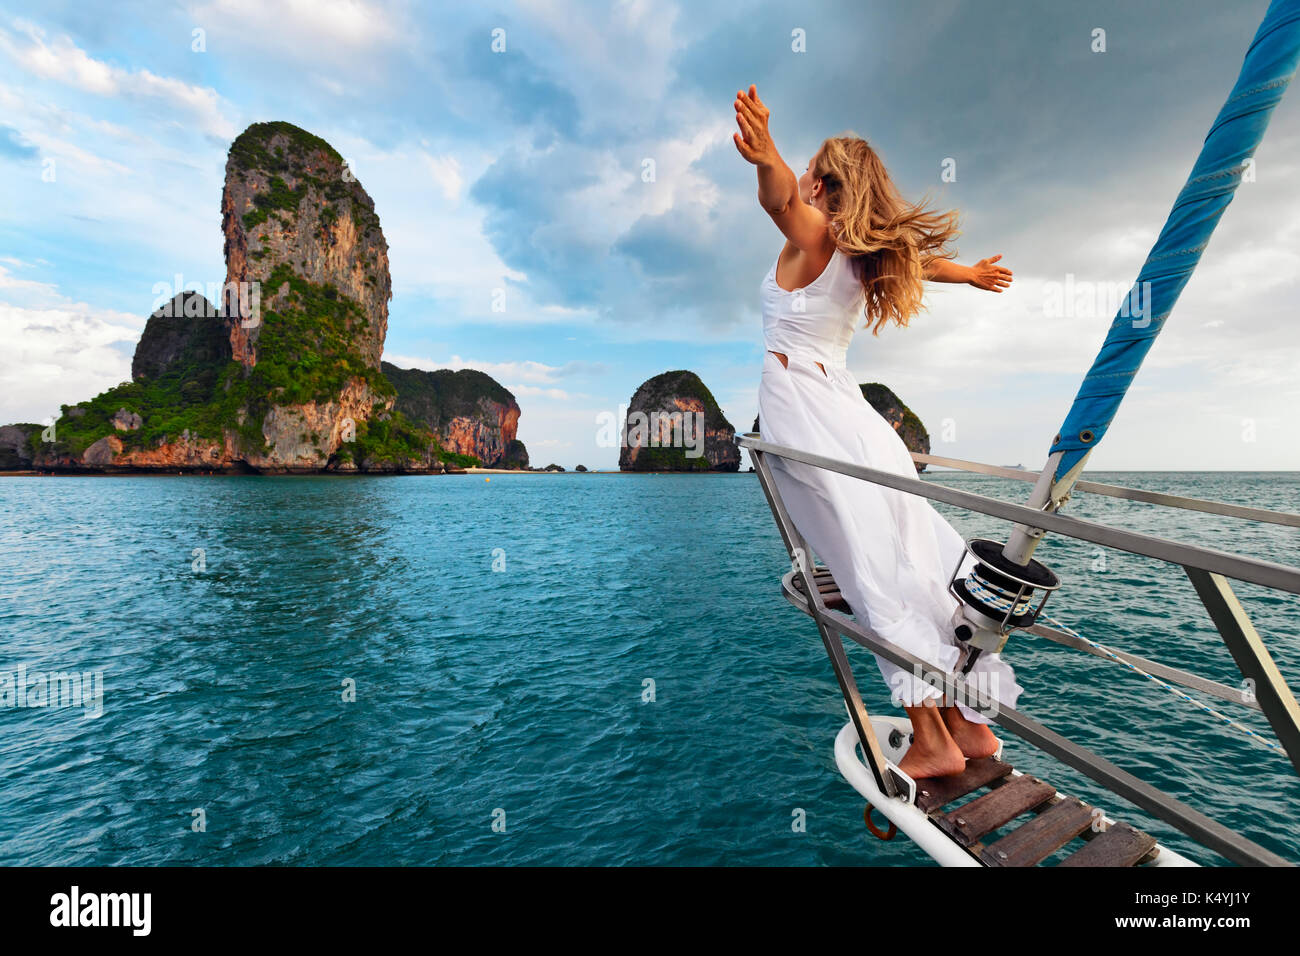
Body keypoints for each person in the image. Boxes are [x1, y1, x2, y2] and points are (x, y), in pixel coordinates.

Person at [734, 84, 1020, 779]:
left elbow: (778, 202)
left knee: (869, 571)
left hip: (808, 414)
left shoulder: (820, 236)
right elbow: (923, 263)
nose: (797, 177)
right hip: (854, 417)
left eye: (807, 169)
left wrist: (766, 153)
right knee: (913, 555)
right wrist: (971, 273)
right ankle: (966, 724)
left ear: (826, 184)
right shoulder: (868, 254)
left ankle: (933, 740)